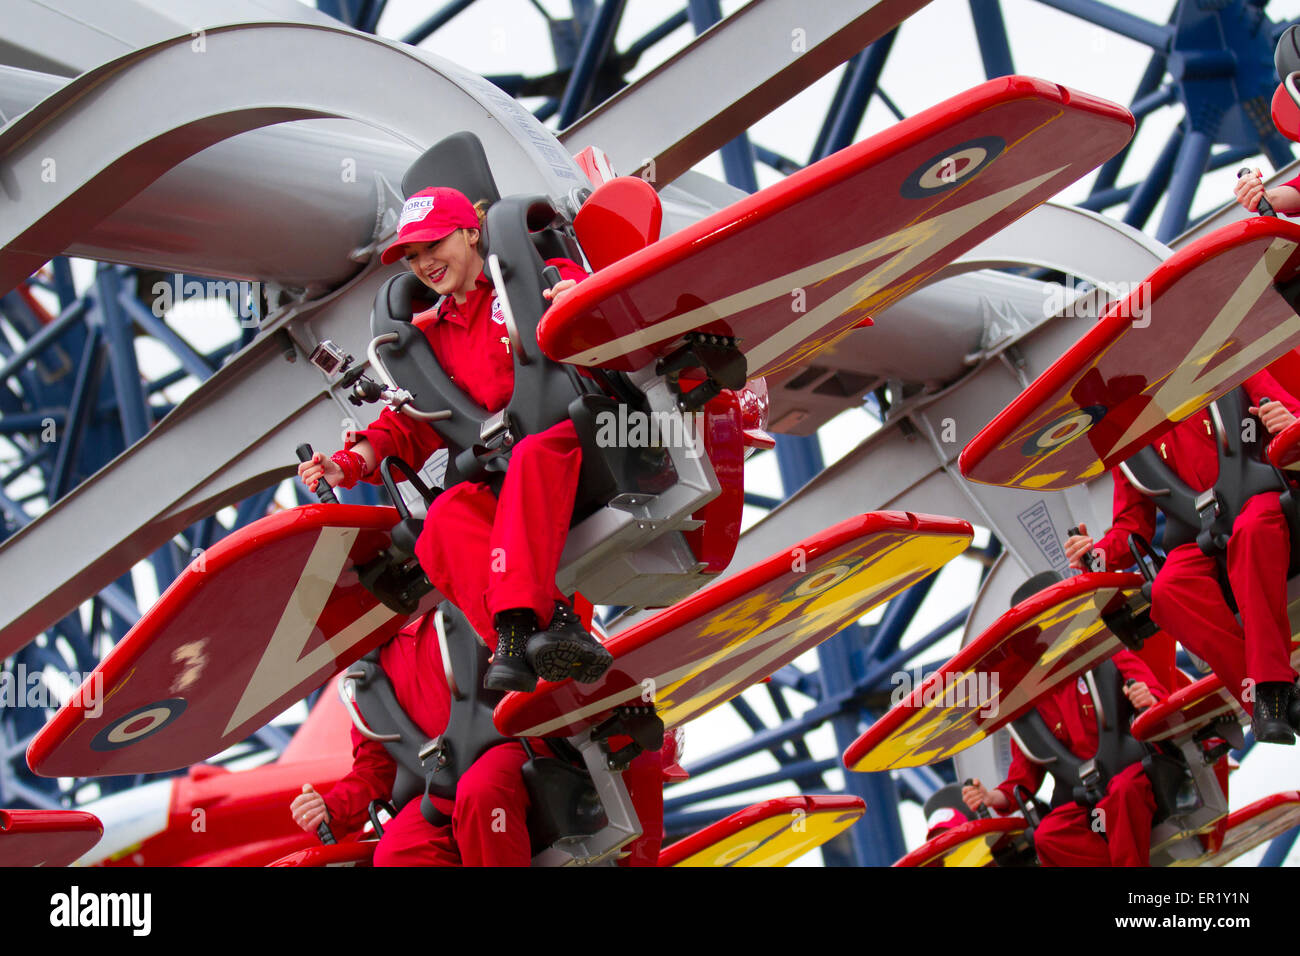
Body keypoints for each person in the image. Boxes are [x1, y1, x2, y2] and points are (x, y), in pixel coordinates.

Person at [298, 186, 610, 693]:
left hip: (585, 441)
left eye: (434, 245)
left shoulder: (523, 281)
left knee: (532, 452)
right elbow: (411, 423)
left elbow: (579, 290)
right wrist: (346, 465)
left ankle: (516, 629)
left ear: (470, 233)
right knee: (444, 517)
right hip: (516, 476)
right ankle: (543, 632)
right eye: (413, 256)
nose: (425, 263)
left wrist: (577, 296)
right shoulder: (433, 336)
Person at [288, 611, 666, 866]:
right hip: (440, 788)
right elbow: (375, 767)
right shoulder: (365, 681)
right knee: (396, 850)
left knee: (482, 792)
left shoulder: (458, 606)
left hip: (512, 747)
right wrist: (331, 807)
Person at [1064, 372, 1300, 743]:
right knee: (1168, 590)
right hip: (1200, 535)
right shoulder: (1129, 441)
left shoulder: (1233, 363)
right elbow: (1130, 529)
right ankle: (1269, 699)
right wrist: (1096, 554)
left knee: (1252, 531)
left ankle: (1272, 691)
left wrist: (1290, 423)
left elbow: (1287, 409)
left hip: (1260, 500)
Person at [961, 650, 1166, 866]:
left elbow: (1155, 694)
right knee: (1048, 835)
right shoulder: (1028, 718)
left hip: (1135, 775)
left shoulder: (1102, 654)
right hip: (1090, 804)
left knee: (1120, 794)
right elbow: (1022, 778)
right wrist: (991, 797)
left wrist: (1150, 698)